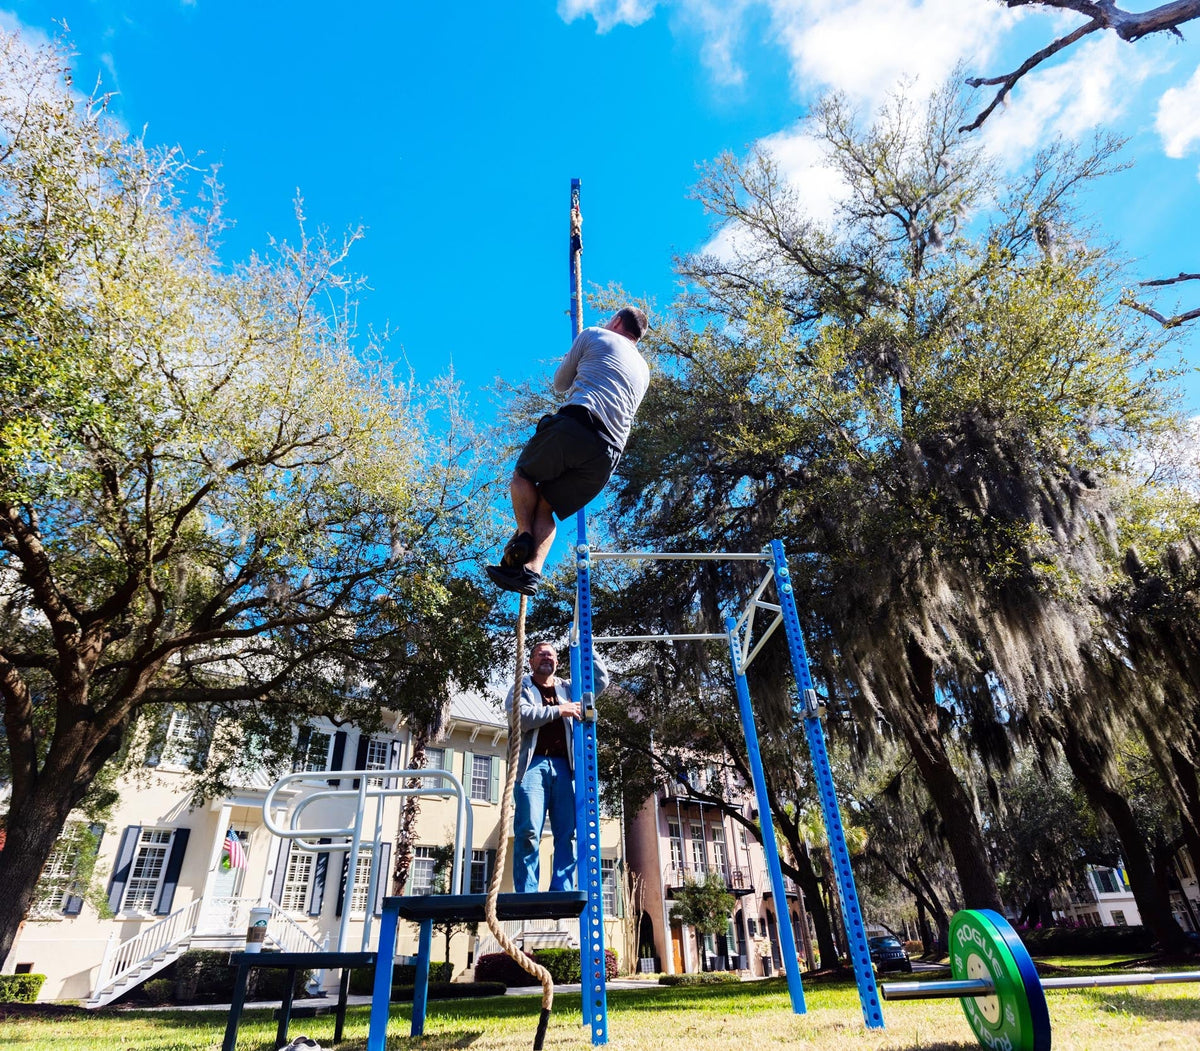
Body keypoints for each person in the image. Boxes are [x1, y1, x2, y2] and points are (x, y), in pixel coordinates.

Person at [487, 307, 650, 595]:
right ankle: (531, 572)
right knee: (546, 507)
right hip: (608, 456)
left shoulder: (595, 334)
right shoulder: (644, 370)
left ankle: (524, 535)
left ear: (616, 321)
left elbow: (559, 384)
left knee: (523, 477)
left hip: (577, 425)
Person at [505, 640, 610, 893]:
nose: (546, 658)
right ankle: (528, 891)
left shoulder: (567, 688)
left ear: (558, 662)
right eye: (541, 654)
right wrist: (559, 710)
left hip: (563, 767)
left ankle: (561, 888)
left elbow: (600, 682)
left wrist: (588, 645)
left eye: (551, 655)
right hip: (532, 766)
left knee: (568, 832)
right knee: (529, 830)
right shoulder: (522, 687)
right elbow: (522, 717)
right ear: (531, 661)